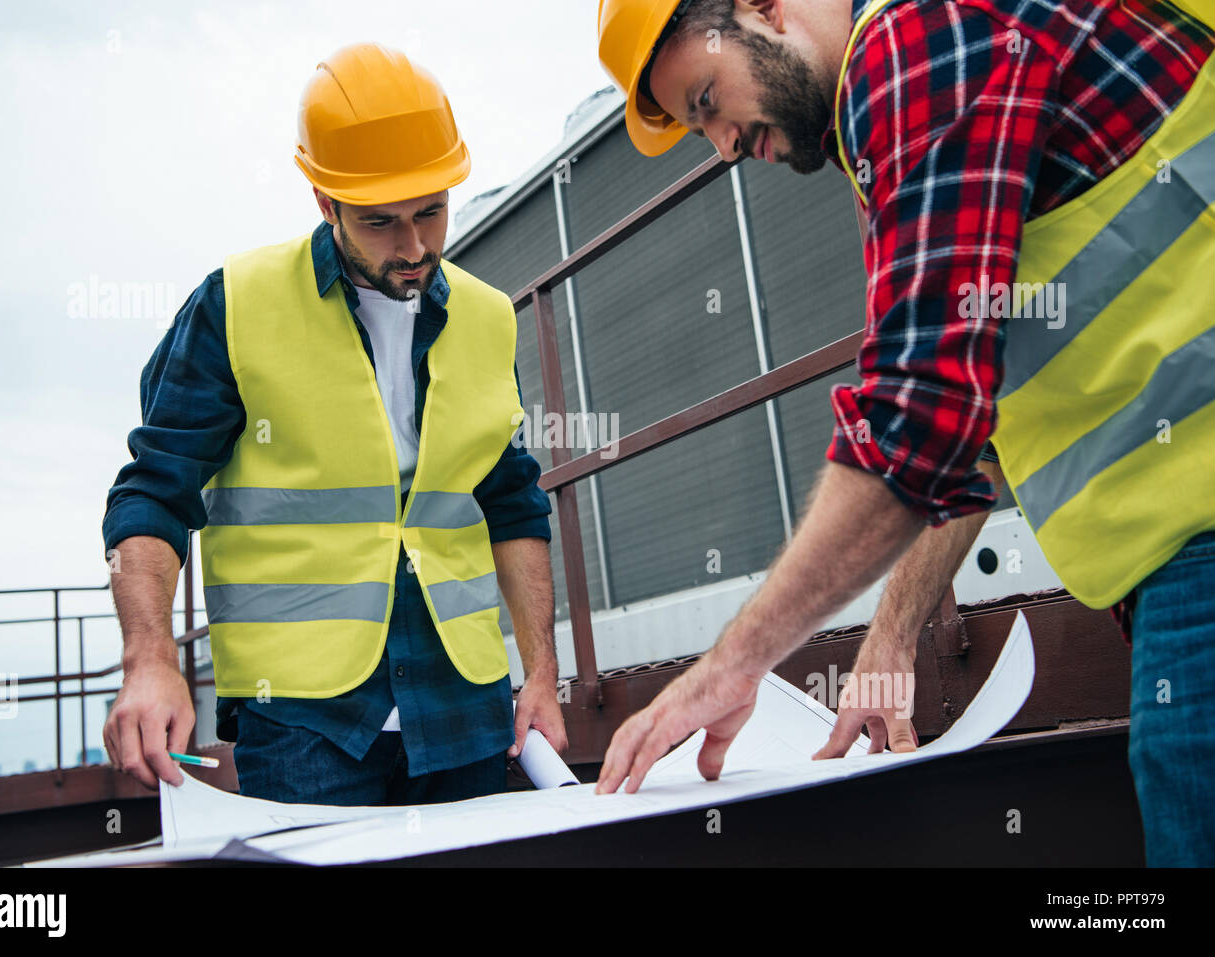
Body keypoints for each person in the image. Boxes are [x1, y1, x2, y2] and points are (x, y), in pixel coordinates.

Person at [593, 0, 1214, 865]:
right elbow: (970, 420)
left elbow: (915, 422)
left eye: (706, 102)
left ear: (764, 9)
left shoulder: (913, 41)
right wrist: (890, 633)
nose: (726, 146)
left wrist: (728, 668)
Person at [102, 42, 567, 807]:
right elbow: (153, 492)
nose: (414, 246)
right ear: (325, 202)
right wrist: (149, 655)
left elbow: (514, 502)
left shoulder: (487, 319)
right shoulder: (234, 308)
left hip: (465, 706)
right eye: (381, 222)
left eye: (431, 211)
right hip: (303, 721)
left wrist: (543, 675)